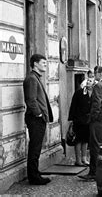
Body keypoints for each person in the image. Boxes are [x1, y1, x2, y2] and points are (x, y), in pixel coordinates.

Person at [23, 54, 54, 185]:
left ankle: (35, 172)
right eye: (43, 63)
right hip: (35, 119)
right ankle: (33, 177)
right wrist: (39, 114)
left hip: (37, 119)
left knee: (36, 148)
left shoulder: (35, 78)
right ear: (35, 64)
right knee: (35, 148)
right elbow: (31, 100)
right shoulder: (31, 79)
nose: (45, 65)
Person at [68, 77, 94, 167]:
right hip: (79, 120)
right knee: (78, 140)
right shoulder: (79, 92)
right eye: (88, 81)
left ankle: (84, 158)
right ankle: (78, 160)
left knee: (85, 140)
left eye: (91, 81)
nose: (88, 82)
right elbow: (73, 106)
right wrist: (71, 120)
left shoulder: (95, 93)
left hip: (88, 120)